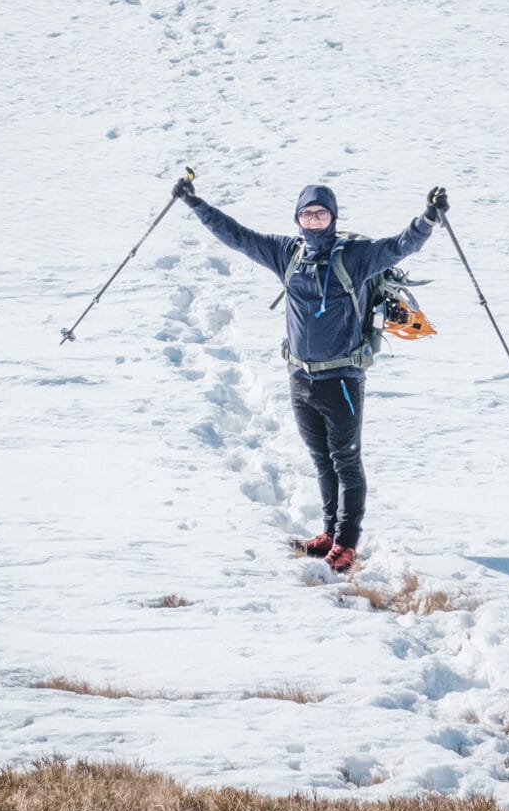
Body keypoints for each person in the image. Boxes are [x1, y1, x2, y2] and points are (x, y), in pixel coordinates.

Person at [173, 177, 448, 572]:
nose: (314, 219)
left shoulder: (356, 256)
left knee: (346, 461)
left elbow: (399, 246)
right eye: (307, 213)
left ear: (332, 217)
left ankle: (347, 542)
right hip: (300, 378)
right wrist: (197, 205)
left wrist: (428, 219)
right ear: (298, 218)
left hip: (343, 379)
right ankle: (328, 533)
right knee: (321, 459)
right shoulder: (286, 253)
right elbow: (237, 236)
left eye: (321, 213)